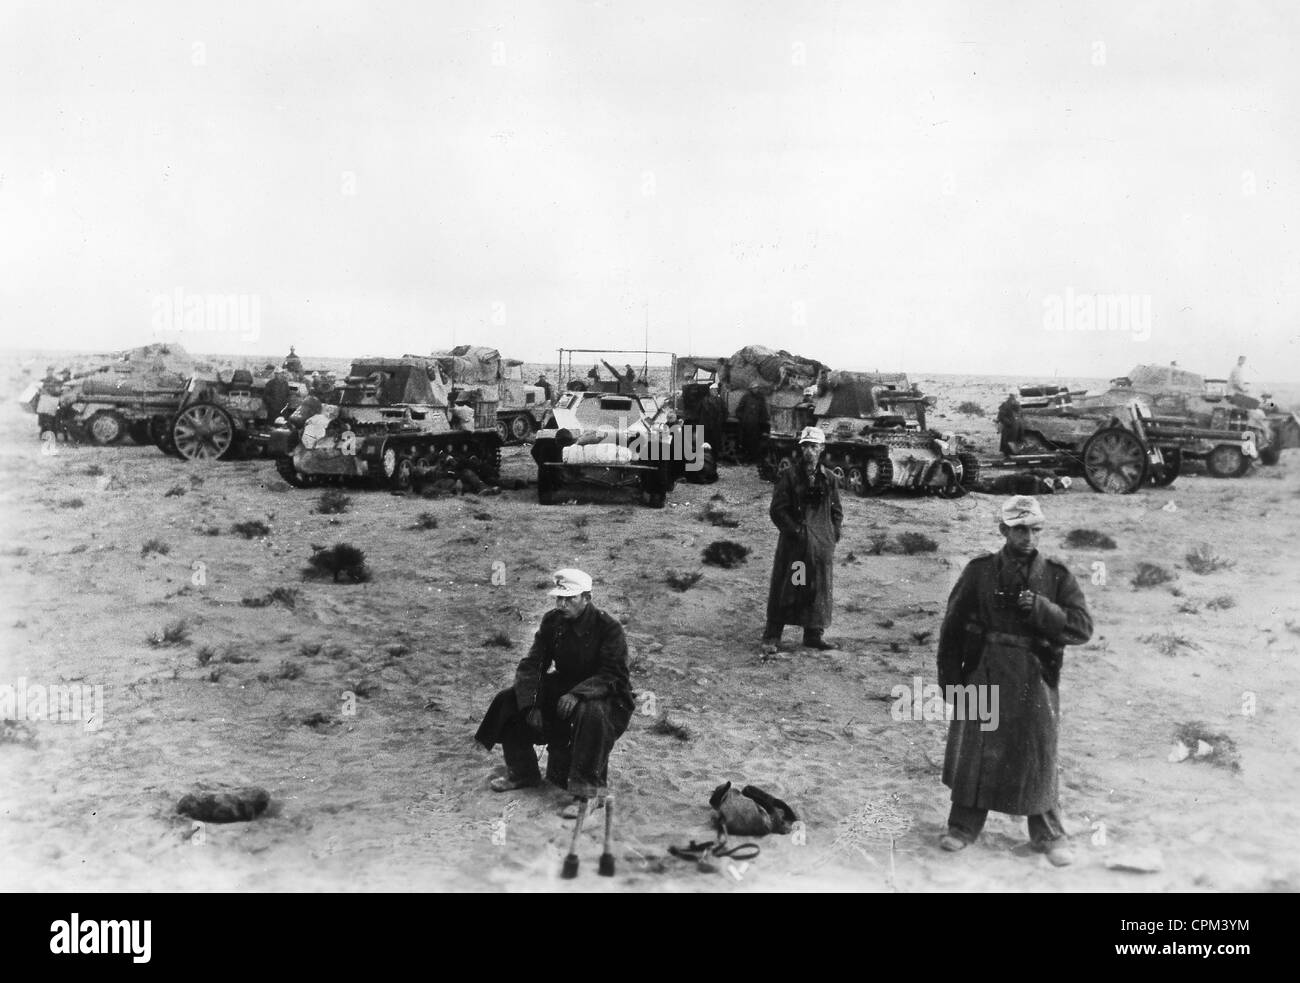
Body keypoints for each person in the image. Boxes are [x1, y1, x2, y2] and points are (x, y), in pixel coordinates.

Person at [935, 495, 1092, 867]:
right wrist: (951, 681)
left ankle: (1049, 834)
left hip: (1033, 675)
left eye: (1035, 529)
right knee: (976, 749)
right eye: (1020, 529)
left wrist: (1042, 608)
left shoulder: (1056, 575)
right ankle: (962, 827)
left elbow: (1082, 627)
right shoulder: (979, 571)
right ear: (1003, 529)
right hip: (984, 670)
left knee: (1037, 752)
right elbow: (952, 629)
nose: (1028, 537)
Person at [474, 569, 634, 818]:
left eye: (569, 598)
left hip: (608, 696)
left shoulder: (608, 628)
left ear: (587, 598)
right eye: (559, 598)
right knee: (509, 699)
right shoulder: (553, 621)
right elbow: (533, 664)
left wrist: (579, 694)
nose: (562, 604)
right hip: (565, 688)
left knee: (590, 712)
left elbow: (613, 674)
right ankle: (523, 772)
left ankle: (588, 794)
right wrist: (531, 704)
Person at [761, 427, 843, 654]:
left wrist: (832, 535)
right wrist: (796, 532)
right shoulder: (789, 476)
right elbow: (778, 510)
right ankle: (772, 635)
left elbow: (836, 511)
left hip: (820, 549)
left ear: (822, 449)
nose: (809, 451)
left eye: (813, 447)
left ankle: (814, 635)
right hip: (795, 548)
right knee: (789, 588)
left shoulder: (830, 478)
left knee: (817, 591)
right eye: (805, 446)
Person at [735, 383, 769, 461]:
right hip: (746, 426)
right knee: (745, 442)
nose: (755, 389)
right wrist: (743, 419)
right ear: (750, 389)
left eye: (757, 388)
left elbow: (763, 411)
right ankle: (745, 458)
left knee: (755, 443)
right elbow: (739, 410)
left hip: (756, 426)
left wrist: (762, 420)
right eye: (754, 388)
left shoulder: (760, 398)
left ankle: (753, 458)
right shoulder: (746, 397)